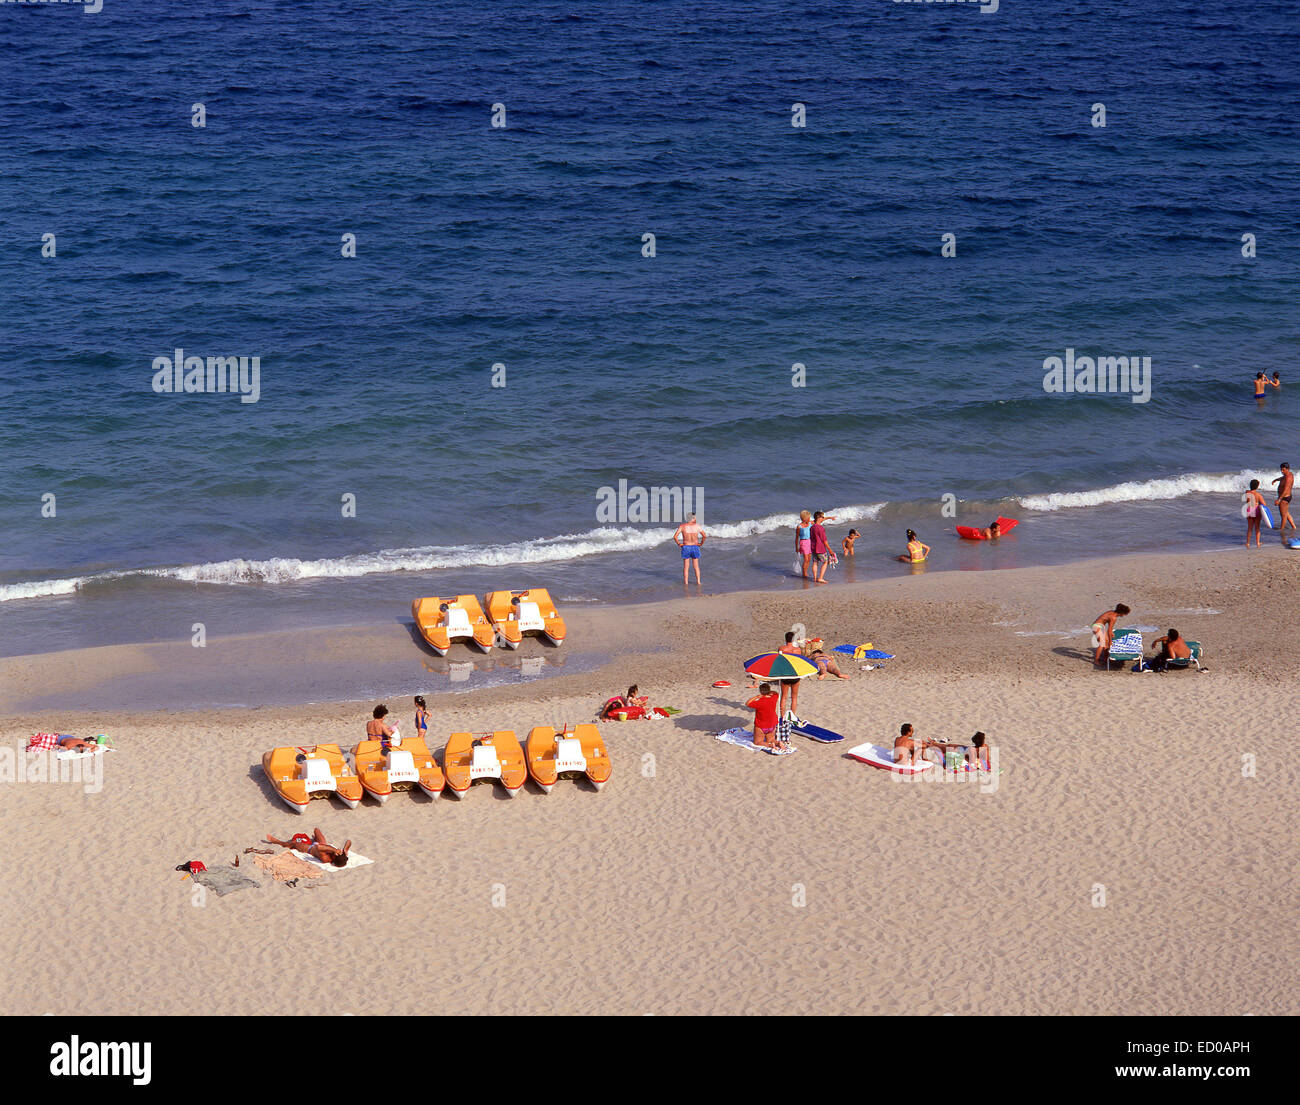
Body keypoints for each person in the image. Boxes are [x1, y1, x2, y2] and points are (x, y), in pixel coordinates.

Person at [265, 827, 352, 868]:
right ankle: (313, 839)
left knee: (294, 843)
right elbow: (349, 841)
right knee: (316, 830)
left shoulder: (326, 859)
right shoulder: (340, 855)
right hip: (322, 844)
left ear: (334, 857)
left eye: (336, 854)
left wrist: (334, 849)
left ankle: (278, 842)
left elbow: (319, 848)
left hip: (310, 848)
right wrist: (345, 849)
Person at [746, 682, 783, 750]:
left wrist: (757, 697)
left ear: (760, 691)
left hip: (761, 725)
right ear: (769, 690)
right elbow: (776, 693)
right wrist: (769, 692)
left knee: (757, 742)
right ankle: (778, 743)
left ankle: (770, 746)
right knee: (771, 739)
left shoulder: (759, 702)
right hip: (772, 724)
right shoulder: (774, 697)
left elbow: (747, 703)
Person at [777, 631, 803, 721]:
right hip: (795, 674)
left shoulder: (781, 648)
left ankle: (782, 716)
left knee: (784, 697)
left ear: (785, 639)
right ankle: (793, 716)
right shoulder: (798, 650)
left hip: (785, 674)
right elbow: (799, 662)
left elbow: (779, 661)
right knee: (794, 697)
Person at [674, 513, 706, 585]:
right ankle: (698, 582)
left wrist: (679, 544)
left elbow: (675, 536)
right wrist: (701, 543)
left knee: (686, 567)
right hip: (695, 546)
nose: (695, 519)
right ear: (692, 518)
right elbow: (704, 536)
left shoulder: (682, 526)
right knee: (696, 566)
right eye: (695, 518)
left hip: (686, 547)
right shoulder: (697, 526)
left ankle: (686, 582)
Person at [1272, 462, 1295, 535]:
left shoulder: (1288, 478)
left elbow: (1286, 489)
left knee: (1283, 515)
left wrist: (1279, 499)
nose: (1282, 471)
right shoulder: (1288, 474)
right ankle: (1293, 527)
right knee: (1286, 513)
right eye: (1281, 469)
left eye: (1283, 470)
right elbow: (1282, 478)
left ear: (1287, 469)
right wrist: (1276, 479)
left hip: (1284, 498)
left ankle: (1281, 530)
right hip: (1286, 497)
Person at [810, 511, 832, 583]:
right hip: (820, 548)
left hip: (813, 547)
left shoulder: (812, 527)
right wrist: (830, 550)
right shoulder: (820, 528)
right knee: (825, 562)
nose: (823, 519)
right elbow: (824, 540)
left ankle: (815, 578)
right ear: (819, 518)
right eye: (822, 517)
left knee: (815, 562)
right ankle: (820, 578)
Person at [1245, 479, 1265, 548]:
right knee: (1257, 528)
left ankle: (1248, 543)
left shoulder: (1247, 493)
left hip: (1249, 510)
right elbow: (1264, 504)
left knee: (1250, 528)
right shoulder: (1258, 495)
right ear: (1257, 487)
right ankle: (1258, 542)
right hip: (1256, 510)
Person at [794, 510, 813, 579]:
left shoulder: (810, 523)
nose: (809, 519)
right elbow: (796, 538)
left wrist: (829, 518)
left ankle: (805, 572)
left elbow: (819, 520)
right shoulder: (799, 527)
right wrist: (796, 547)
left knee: (809, 559)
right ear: (804, 518)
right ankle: (804, 574)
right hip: (803, 542)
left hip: (810, 541)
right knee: (806, 559)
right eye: (808, 518)